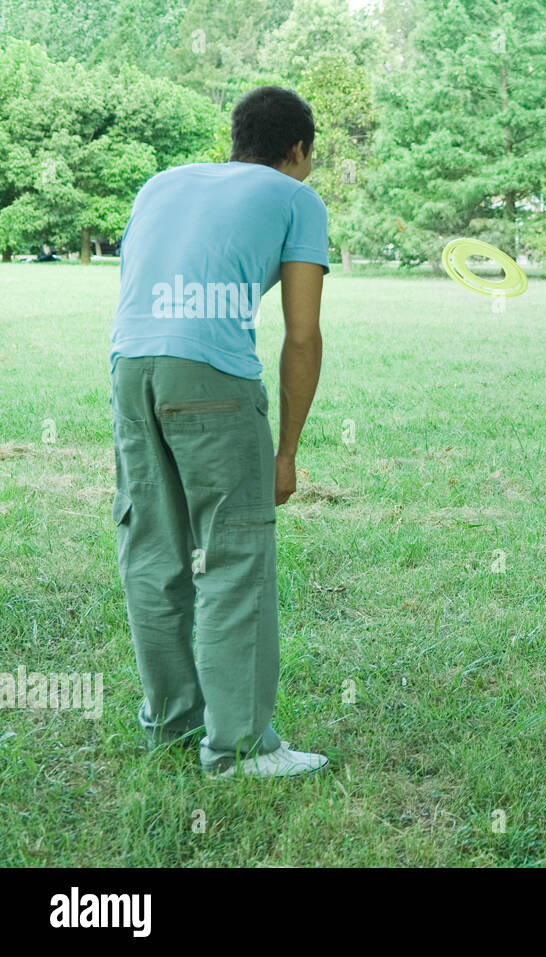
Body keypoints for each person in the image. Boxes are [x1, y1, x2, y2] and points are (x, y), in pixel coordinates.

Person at [109, 86, 331, 776]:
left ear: (237, 141)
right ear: (298, 150)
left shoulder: (161, 182)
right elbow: (302, 335)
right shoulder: (297, 198)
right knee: (236, 555)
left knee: (153, 551)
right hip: (212, 380)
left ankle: (172, 723)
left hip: (130, 367)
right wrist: (286, 451)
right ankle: (240, 748)